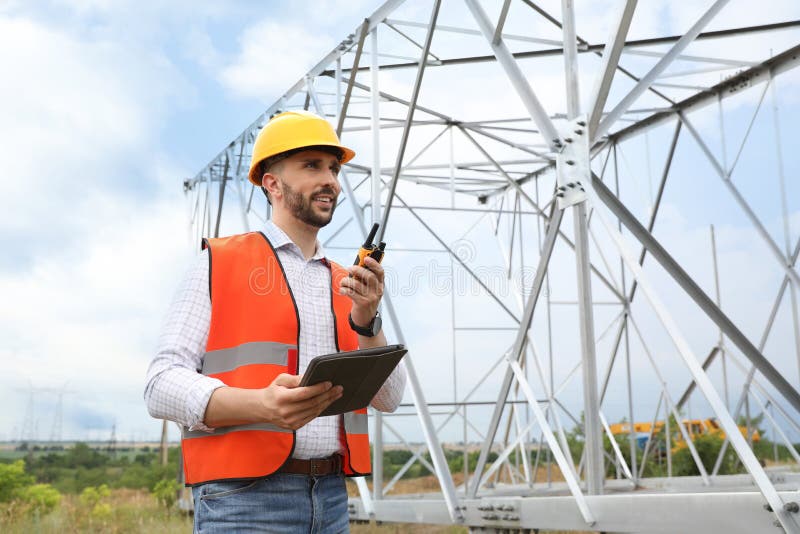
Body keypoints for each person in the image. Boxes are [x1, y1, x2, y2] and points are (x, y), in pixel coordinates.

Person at [144, 110, 406, 533]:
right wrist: (260, 405)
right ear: (272, 184)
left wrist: (367, 320)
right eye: (312, 166)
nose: (331, 180)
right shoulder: (220, 262)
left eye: (334, 169)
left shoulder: (348, 283)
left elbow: (389, 398)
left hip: (332, 498)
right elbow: (160, 386)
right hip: (242, 501)